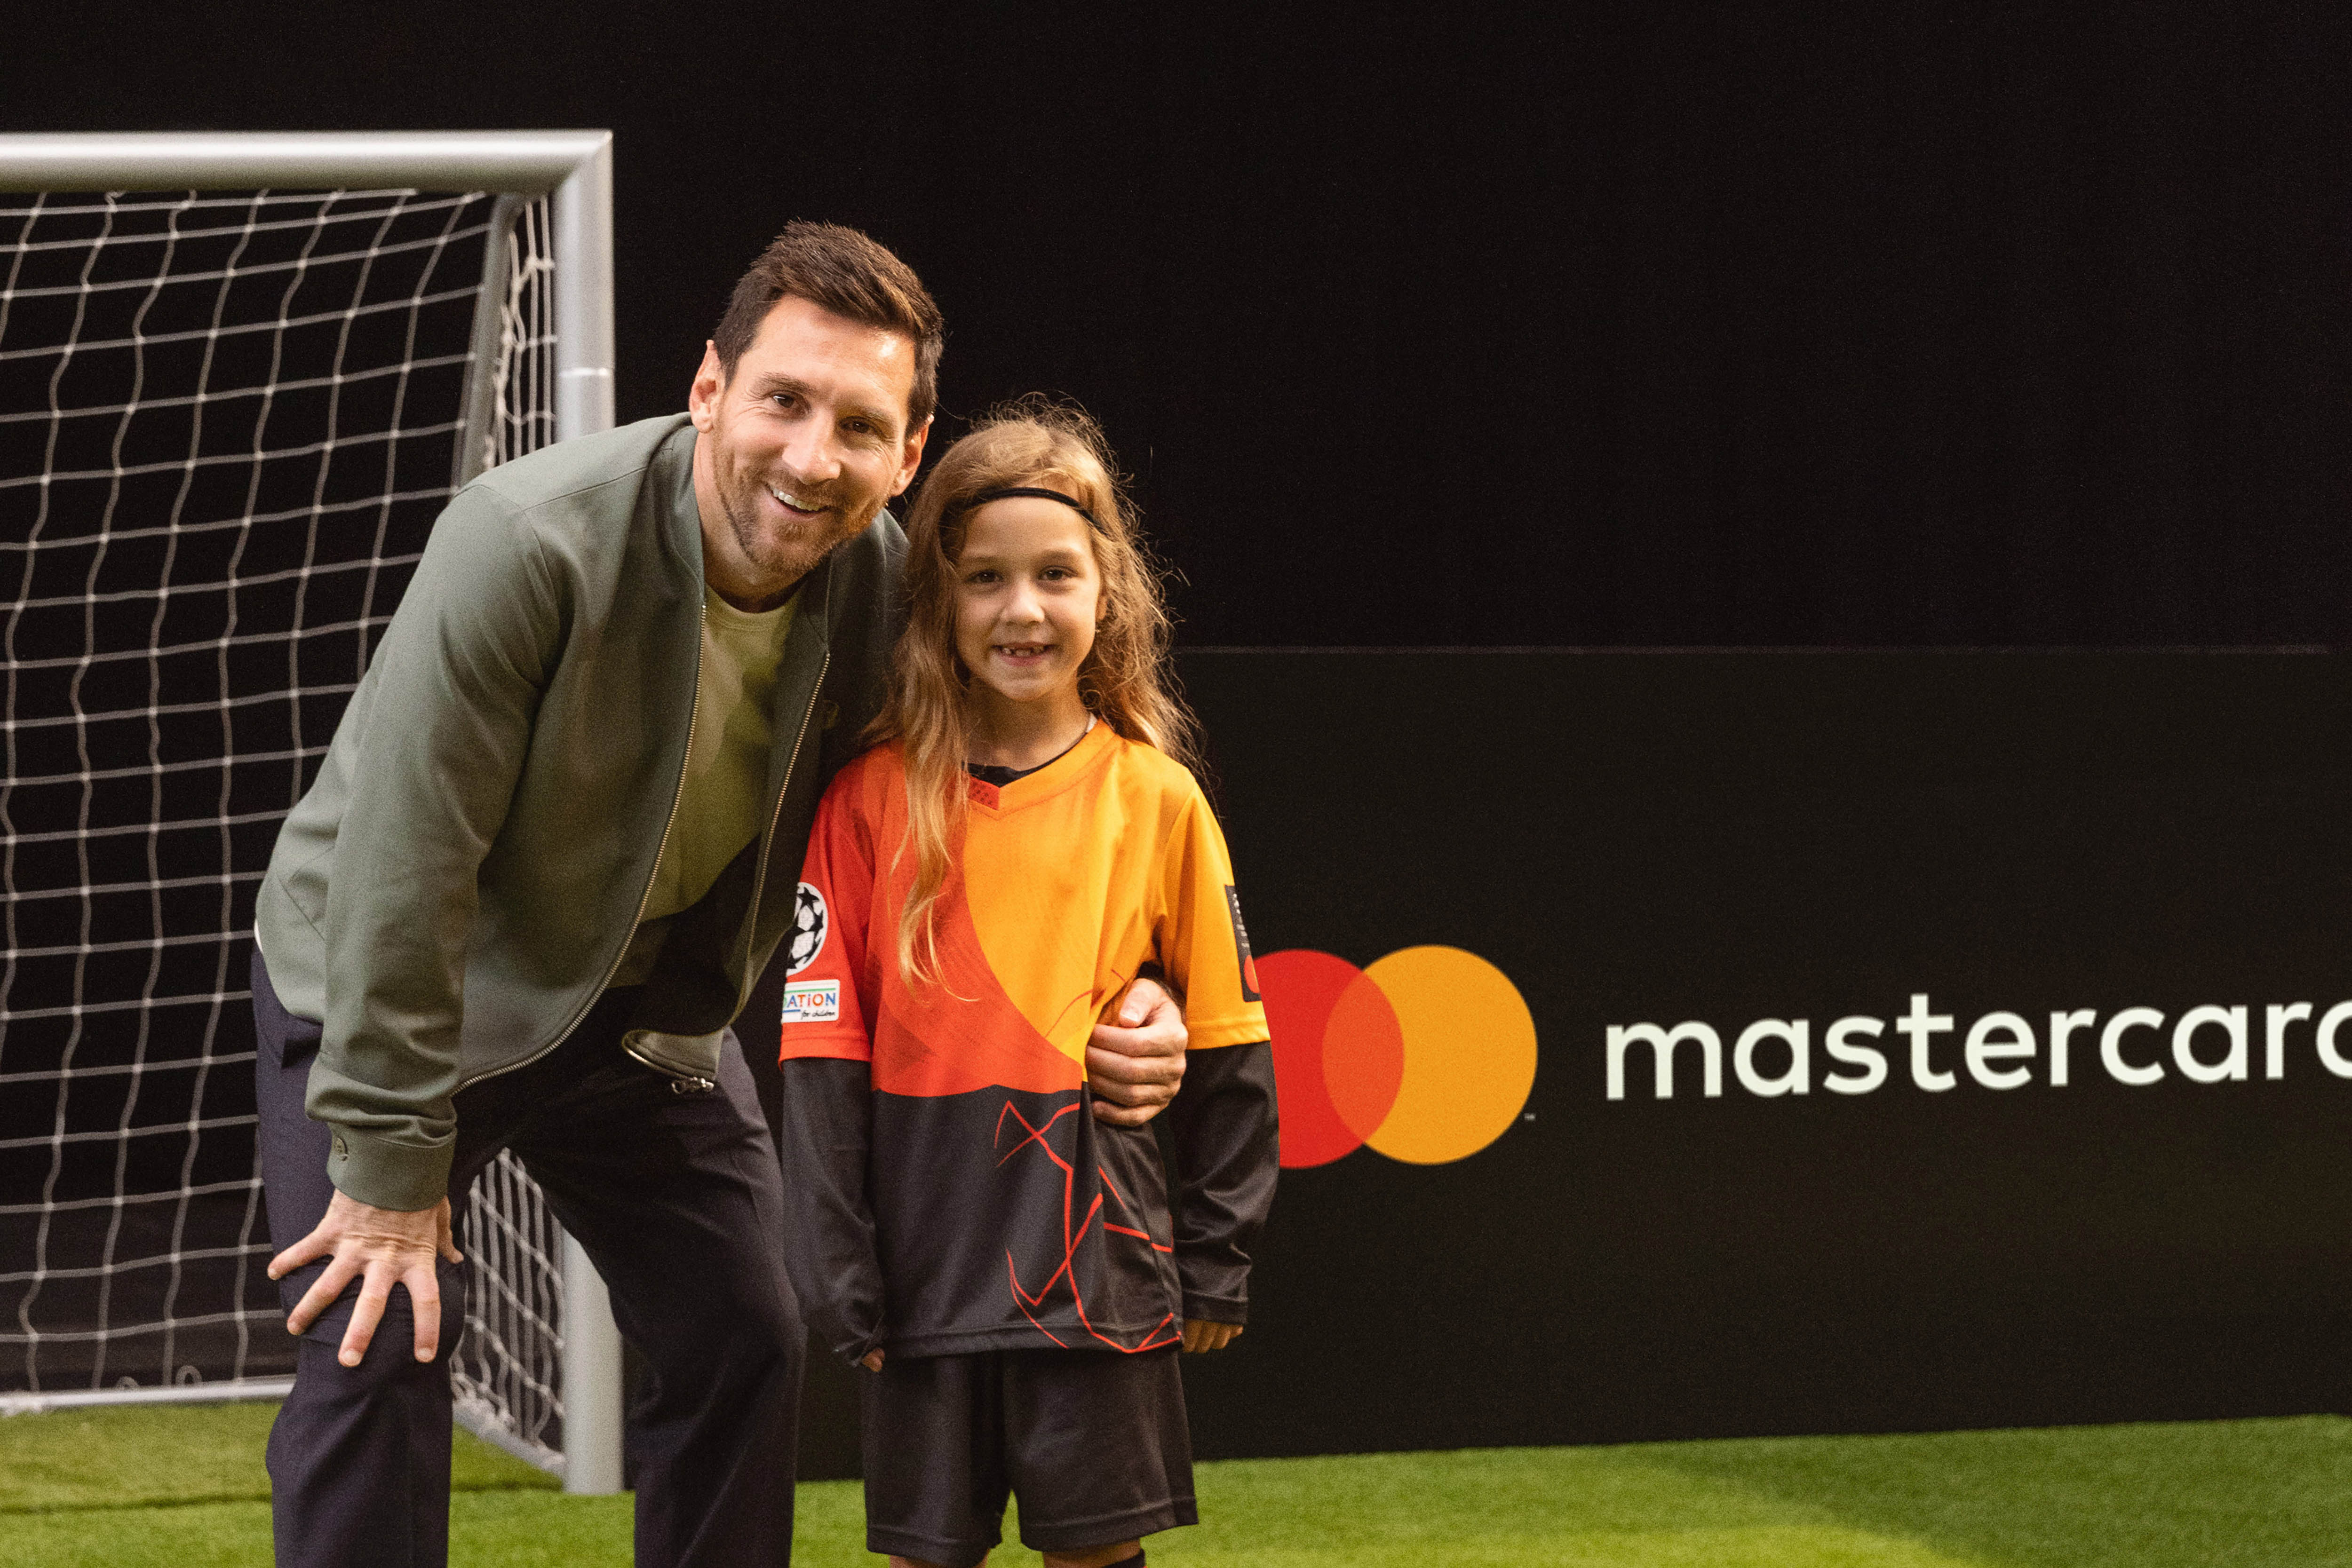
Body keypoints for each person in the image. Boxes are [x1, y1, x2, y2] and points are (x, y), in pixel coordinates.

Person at [247, 224, 1190, 1568]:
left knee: (746, 1327)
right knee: (379, 1332)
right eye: (784, 402)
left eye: (860, 425)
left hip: (634, 1013)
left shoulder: (880, 596)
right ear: (710, 390)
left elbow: (1007, 811)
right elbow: (407, 868)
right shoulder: (524, 544)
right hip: (389, 982)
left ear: (908, 454)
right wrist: (394, 1173)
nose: (814, 457)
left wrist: (1137, 991)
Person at [776, 402, 1280, 1568]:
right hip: (919, 1284)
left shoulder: (1157, 798)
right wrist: (837, 1270)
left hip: (1101, 1274)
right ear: (936, 602)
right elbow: (819, 1057)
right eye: (984, 576)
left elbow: (1228, 1045)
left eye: (1055, 573)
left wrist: (1216, 1253)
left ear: (1108, 592)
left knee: (1097, 1554)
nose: (1022, 609)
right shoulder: (866, 802)